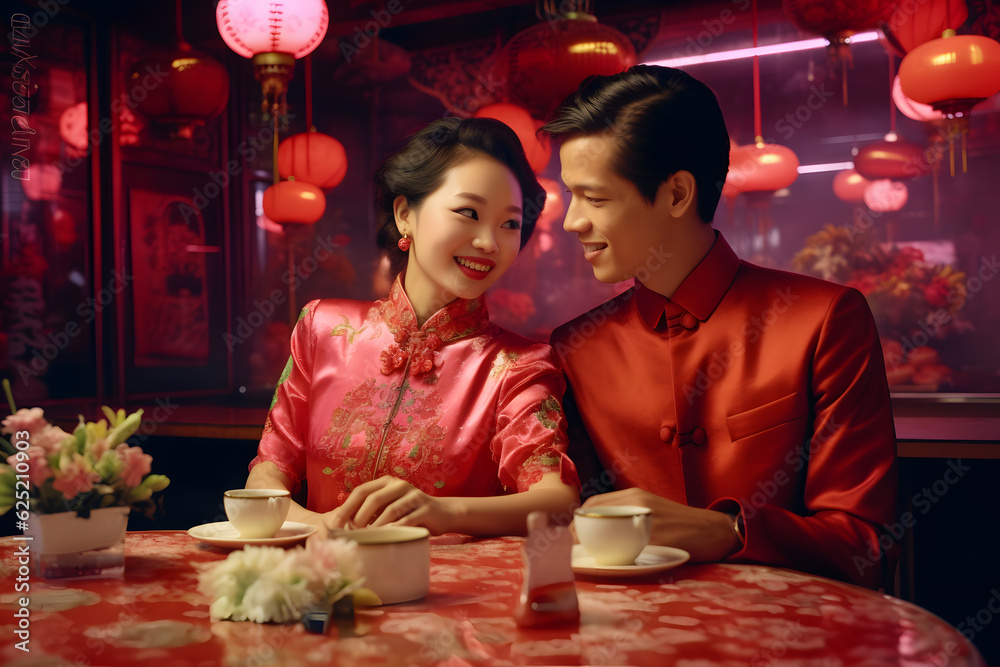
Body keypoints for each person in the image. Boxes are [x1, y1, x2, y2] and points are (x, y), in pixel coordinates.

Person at [542, 65, 898, 590]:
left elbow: (866, 546)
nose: (572, 221)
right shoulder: (575, 347)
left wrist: (726, 530)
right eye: (571, 195)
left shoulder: (824, 319)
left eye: (594, 198)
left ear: (677, 194)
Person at [246, 117, 580, 536]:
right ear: (405, 214)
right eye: (469, 212)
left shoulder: (518, 365)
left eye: (509, 224)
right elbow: (267, 474)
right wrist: (321, 527)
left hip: (442, 577)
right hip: (320, 570)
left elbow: (557, 502)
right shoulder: (323, 328)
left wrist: (443, 513)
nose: (489, 242)